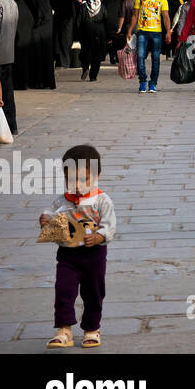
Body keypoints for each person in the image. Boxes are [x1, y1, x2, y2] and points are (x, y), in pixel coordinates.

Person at [40, 144, 116, 349]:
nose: (77, 185)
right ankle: (64, 329)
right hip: (67, 255)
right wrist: (46, 219)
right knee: (63, 290)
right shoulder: (62, 201)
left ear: (96, 176)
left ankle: (92, 328)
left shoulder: (102, 201)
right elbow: (51, 213)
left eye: (84, 179)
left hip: (94, 256)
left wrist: (100, 237)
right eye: (70, 179)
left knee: (94, 291)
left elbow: (110, 226)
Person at [126, 0, 171, 94]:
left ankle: (153, 84)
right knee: (140, 56)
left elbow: (166, 16)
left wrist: (168, 32)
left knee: (155, 59)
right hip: (142, 32)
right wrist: (130, 30)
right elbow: (135, 16)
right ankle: (142, 81)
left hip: (157, 33)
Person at [0, 0, 19, 140]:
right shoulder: (11, 1)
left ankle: (1, 128)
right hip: (8, 52)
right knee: (8, 92)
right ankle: (12, 126)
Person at [75, 0, 108, 83]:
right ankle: (93, 76)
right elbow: (106, 19)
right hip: (99, 35)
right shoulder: (102, 7)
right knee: (96, 56)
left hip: (85, 34)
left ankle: (85, 69)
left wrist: (77, 33)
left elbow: (78, 22)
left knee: (85, 53)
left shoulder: (83, 7)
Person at [100, 0, 120, 65]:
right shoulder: (118, 1)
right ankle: (117, 57)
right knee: (116, 42)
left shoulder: (104, 1)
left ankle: (112, 58)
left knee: (109, 42)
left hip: (106, 25)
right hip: (116, 25)